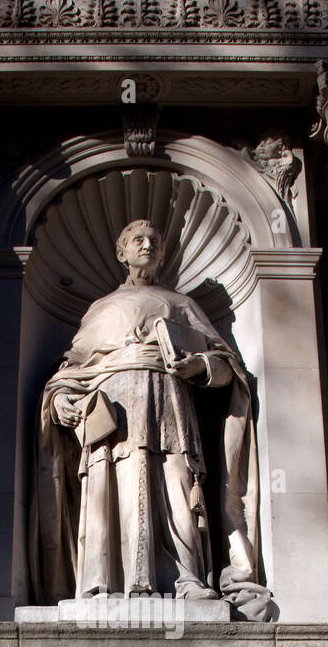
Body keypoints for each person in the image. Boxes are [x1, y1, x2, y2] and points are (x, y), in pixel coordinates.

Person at [30, 219, 272, 618]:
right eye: (137, 240)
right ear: (121, 252)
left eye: (155, 241)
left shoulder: (182, 305)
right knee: (112, 489)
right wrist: (59, 400)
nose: (147, 245)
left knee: (177, 484)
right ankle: (102, 582)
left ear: (163, 253)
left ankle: (186, 579)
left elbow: (229, 369)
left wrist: (197, 367)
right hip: (111, 417)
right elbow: (71, 368)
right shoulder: (101, 309)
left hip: (170, 407)